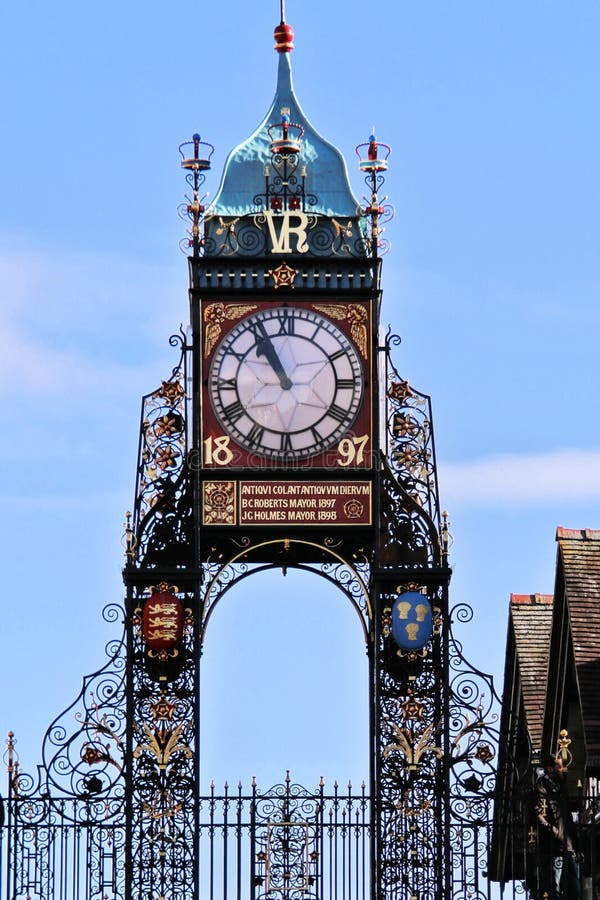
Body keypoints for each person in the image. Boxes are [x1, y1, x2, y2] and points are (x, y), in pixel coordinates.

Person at [534, 754, 581, 899]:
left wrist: (577, 845)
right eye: (558, 767)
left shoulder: (561, 788)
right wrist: (552, 829)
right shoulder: (543, 784)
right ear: (549, 768)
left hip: (568, 845)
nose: (562, 770)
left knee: (575, 889)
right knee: (555, 888)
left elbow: (568, 820)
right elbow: (538, 810)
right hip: (554, 845)